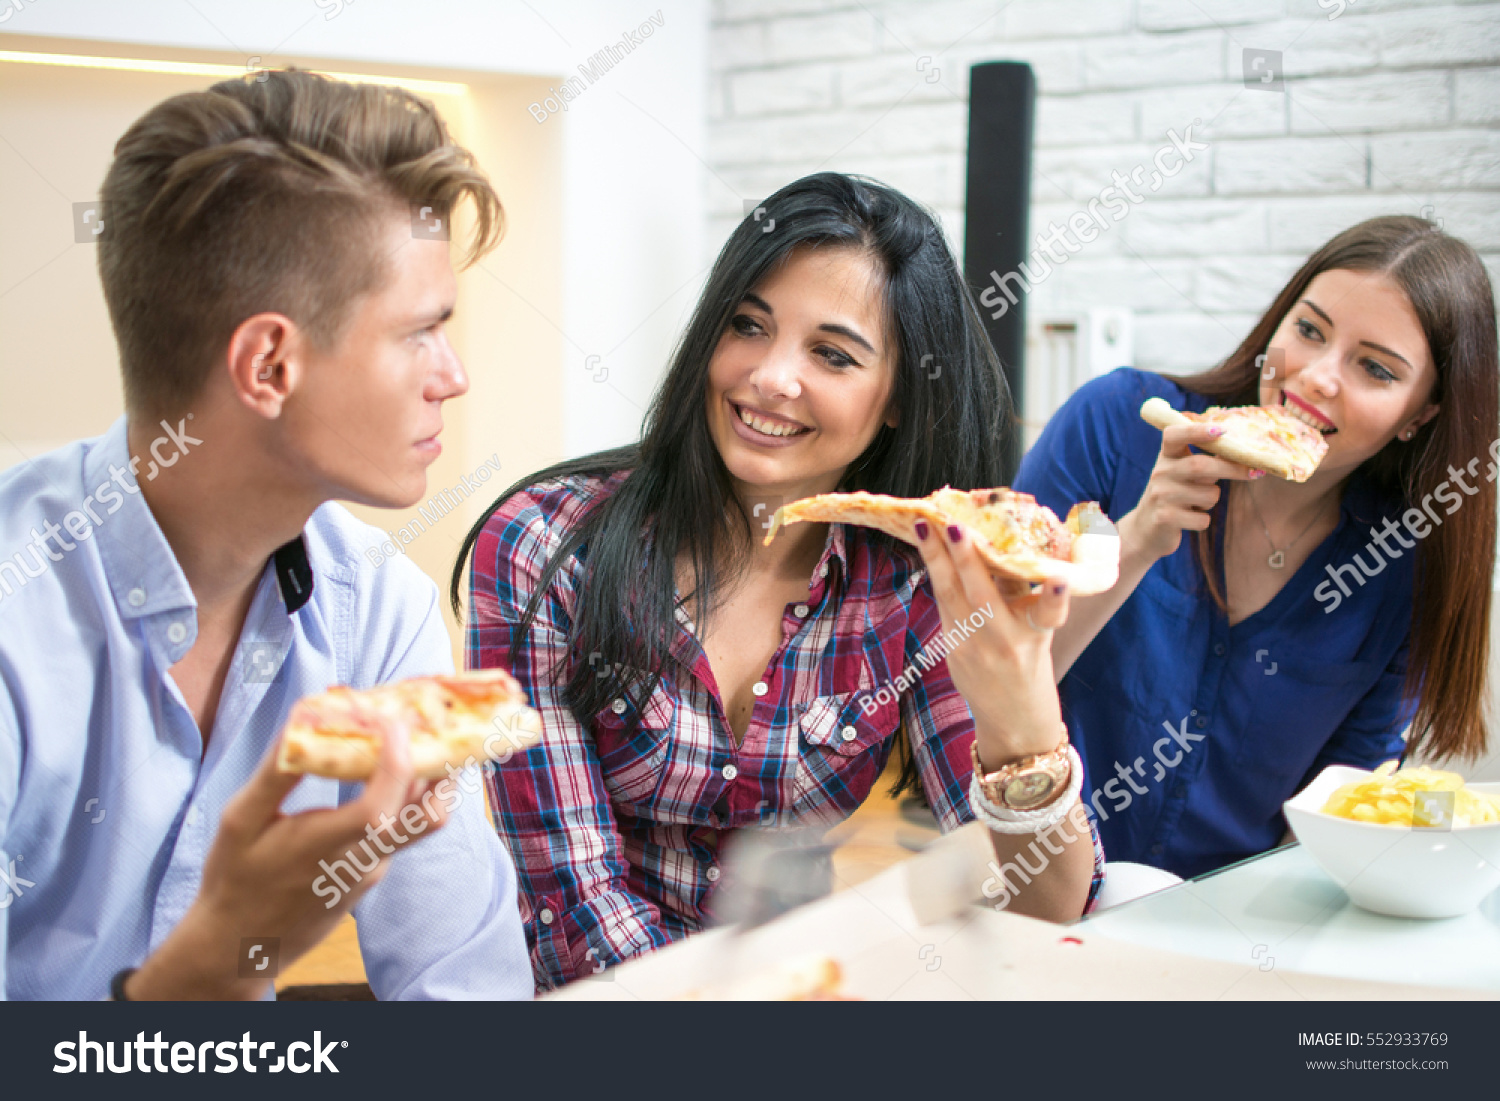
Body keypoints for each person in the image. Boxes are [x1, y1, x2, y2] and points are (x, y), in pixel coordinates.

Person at [455, 173, 1104, 991]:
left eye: (831, 354)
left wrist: (1022, 715)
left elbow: (1049, 909)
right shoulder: (542, 545)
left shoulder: (917, 576)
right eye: (748, 326)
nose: (769, 376)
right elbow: (576, 905)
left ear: (900, 395)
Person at [0, 71, 532, 999]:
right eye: (421, 332)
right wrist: (214, 967)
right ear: (270, 364)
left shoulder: (379, 611)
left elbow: (465, 992)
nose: (453, 376)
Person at [1014, 215, 1497, 879]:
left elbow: (1336, 815)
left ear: (1421, 413)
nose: (1318, 376)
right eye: (1309, 330)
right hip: (1027, 883)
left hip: (1229, 927)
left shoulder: (1400, 568)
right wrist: (1139, 536)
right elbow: (990, 677)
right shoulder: (1117, 426)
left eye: (1375, 368)